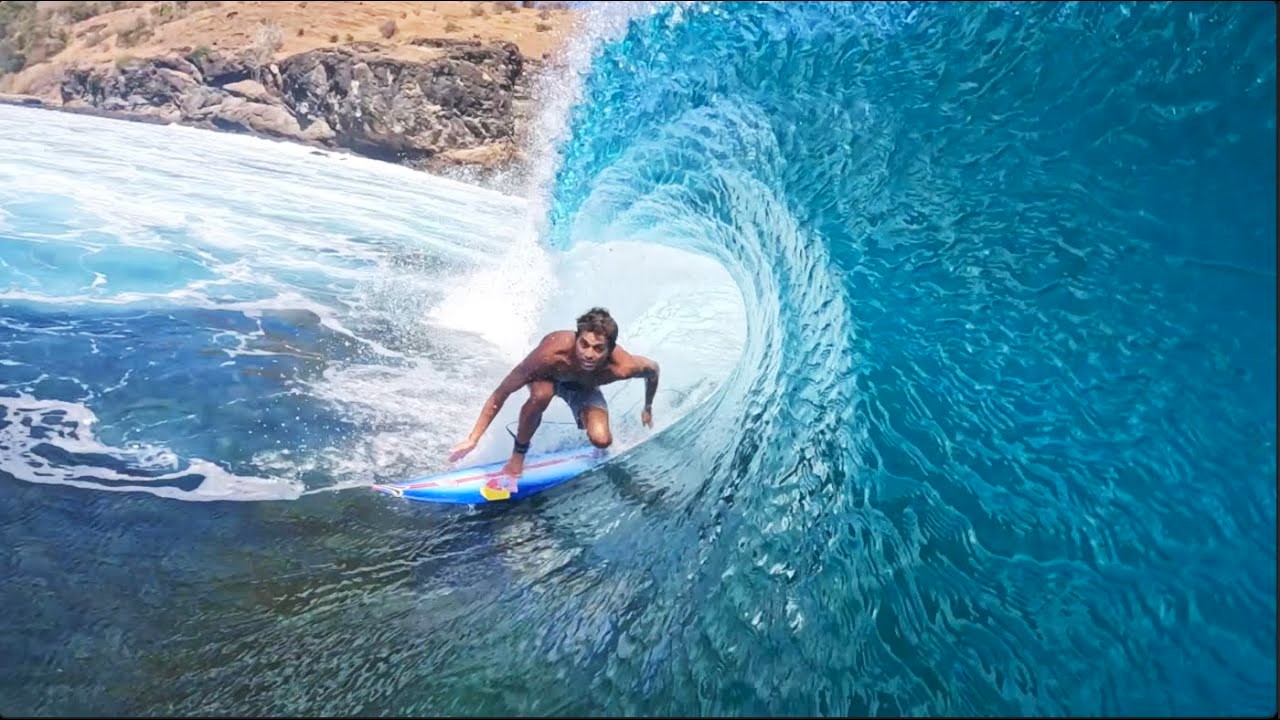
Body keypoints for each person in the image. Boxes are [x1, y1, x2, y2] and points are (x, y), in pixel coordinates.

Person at [449, 307, 660, 493]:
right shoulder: (549, 356)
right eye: (584, 344)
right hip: (548, 377)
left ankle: (590, 437)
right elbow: (501, 392)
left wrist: (648, 406)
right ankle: (517, 459)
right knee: (542, 395)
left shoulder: (623, 366)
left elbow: (653, 371)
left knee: (602, 441)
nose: (588, 353)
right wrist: (473, 438)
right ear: (576, 339)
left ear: (610, 349)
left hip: (584, 388)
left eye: (598, 348)